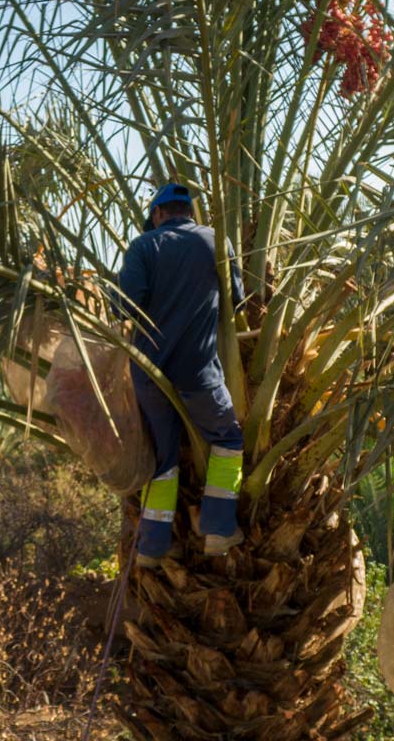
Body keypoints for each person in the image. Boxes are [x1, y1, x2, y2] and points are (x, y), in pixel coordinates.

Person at [117, 183, 246, 567]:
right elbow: (236, 301)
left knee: (163, 457)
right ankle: (218, 532)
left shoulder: (143, 246)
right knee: (227, 438)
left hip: (149, 374)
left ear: (158, 214)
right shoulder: (214, 241)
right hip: (198, 370)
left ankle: (151, 550)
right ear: (188, 213)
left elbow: (126, 305)